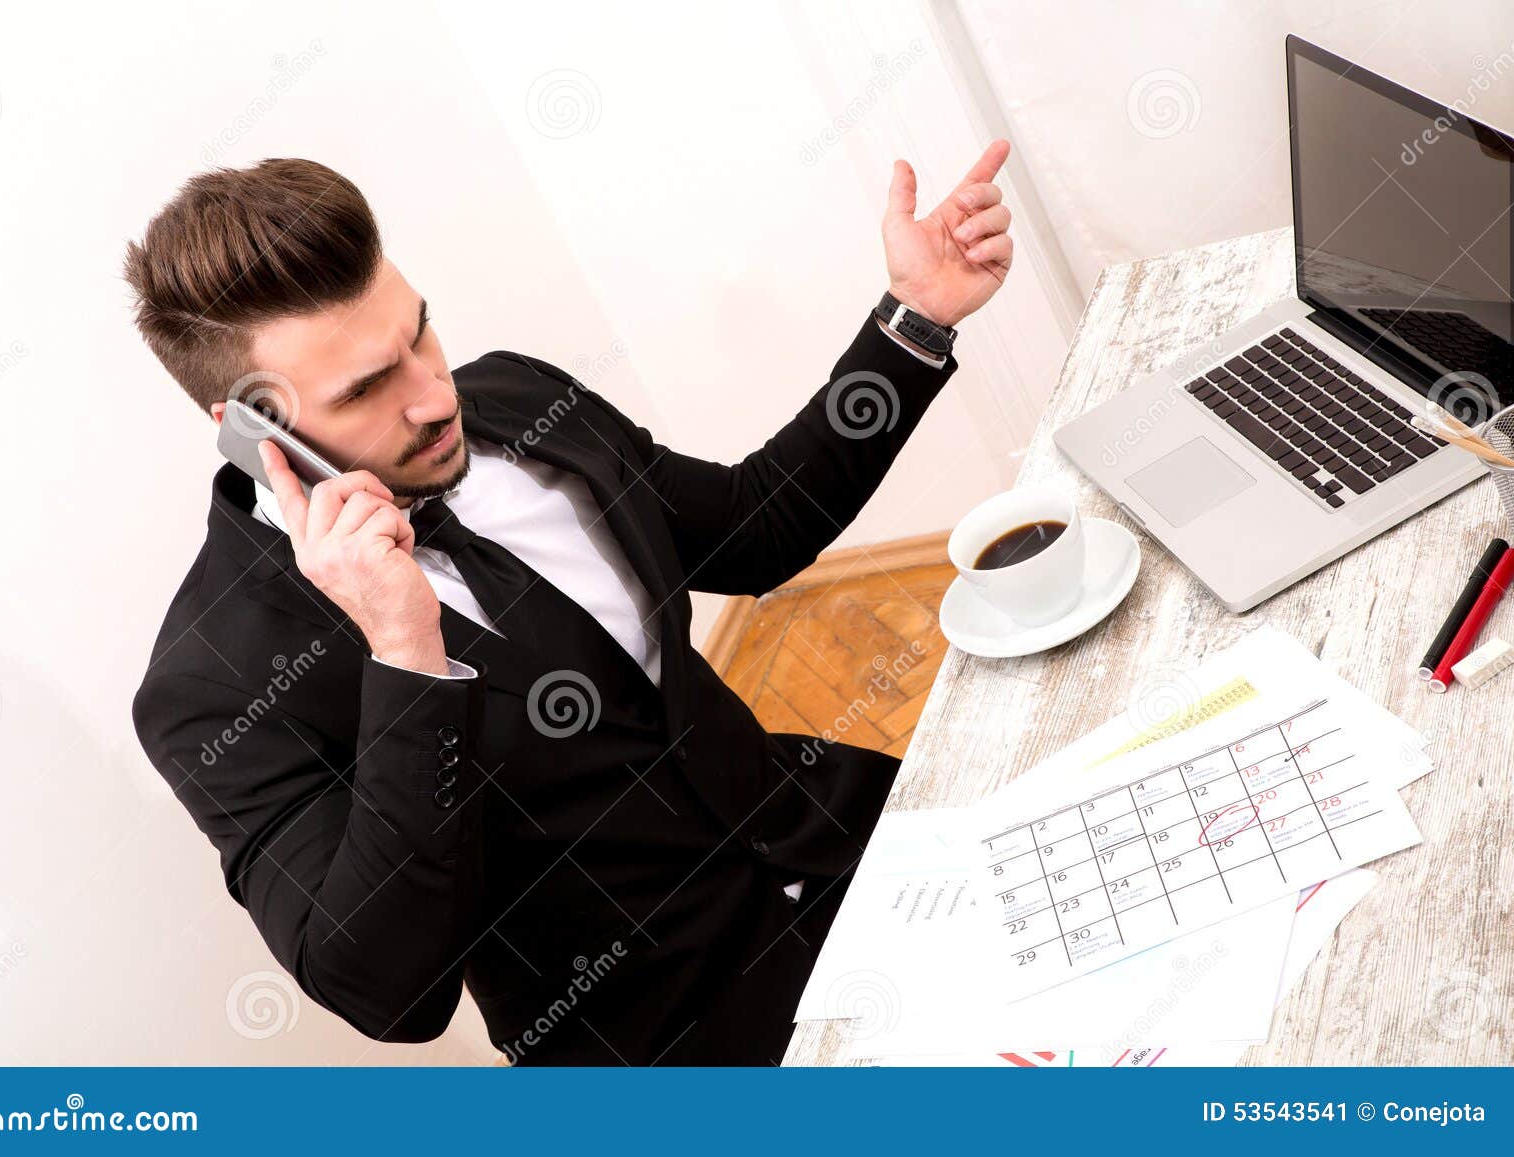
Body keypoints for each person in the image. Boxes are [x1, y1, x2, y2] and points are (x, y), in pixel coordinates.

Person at [126, 146, 1013, 1064]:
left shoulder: (520, 401)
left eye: (419, 335)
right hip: (671, 1041)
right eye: (364, 389)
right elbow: (388, 989)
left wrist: (915, 319)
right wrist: (404, 654)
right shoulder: (214, 684)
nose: (434, 399)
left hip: (840, 847)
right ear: (250, 428)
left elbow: (754, 528)